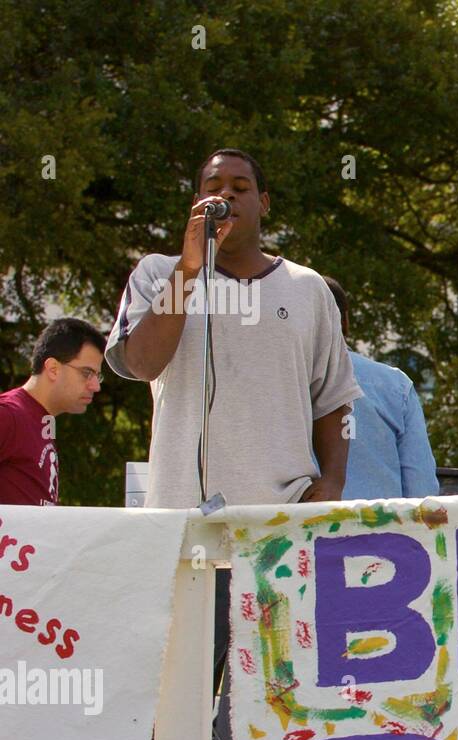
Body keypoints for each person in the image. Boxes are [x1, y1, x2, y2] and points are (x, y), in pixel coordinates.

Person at [105, 148, 362, 508]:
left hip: (281, 512)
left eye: (240, 188)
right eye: (214, 188)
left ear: (264, 203)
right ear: (196, 203)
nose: (226, 195)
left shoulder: (308, 287)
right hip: (180, 509)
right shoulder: (158, 273)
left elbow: (334, 398)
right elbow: (143, 364)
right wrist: (189, 268)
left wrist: (334, 480)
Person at [323, 277, 440, 500]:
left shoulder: (275, 388)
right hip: (385, 523)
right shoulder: (396, 387)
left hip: (292, 523)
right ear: (345, 321)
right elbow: (421, 491)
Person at [0, 318, 106, 506]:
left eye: (98, 376)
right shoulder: (8, 415)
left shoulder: (40, 421)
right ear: (53, 369)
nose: (96, 386)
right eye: (87, 373)